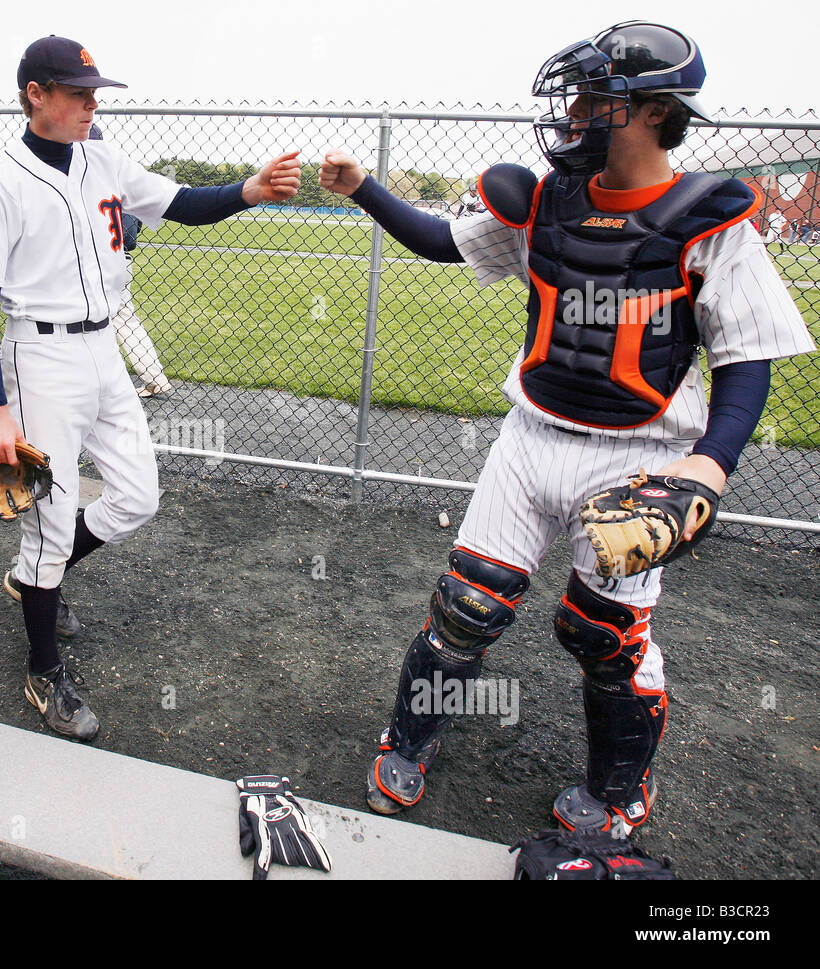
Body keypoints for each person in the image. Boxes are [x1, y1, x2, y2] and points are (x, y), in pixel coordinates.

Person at [319, 21, 814, 835]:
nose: (574, 115)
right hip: (532, 437)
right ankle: (407, 739)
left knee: (604, 636)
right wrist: (362, 187)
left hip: (641, 455)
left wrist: (709, 469)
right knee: (464, 610)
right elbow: (444, 242)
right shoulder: (545, 199)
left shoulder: (711, 219)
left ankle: (619, 791)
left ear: (654, 111)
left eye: (595, 99)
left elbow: (746, 357)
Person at [0, 35, 300, 741]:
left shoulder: (102, 158)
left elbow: (182, 203)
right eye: (78, 92)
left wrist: (251, 190)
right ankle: (43, 667)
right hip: (38, 357)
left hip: (103, 347)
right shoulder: (1, 183)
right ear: (36, 95)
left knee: (138, 495)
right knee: (49, 522)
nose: (91, 103)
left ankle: (33, 579)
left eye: (93, 93)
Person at [87, 123, 173, 398]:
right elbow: (134, 233)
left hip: (99, 260)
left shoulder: (88, 179)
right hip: (121, 259)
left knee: (90, 321)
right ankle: (154, 377)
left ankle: (100, 384)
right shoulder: (119, 177)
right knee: (123, 319)